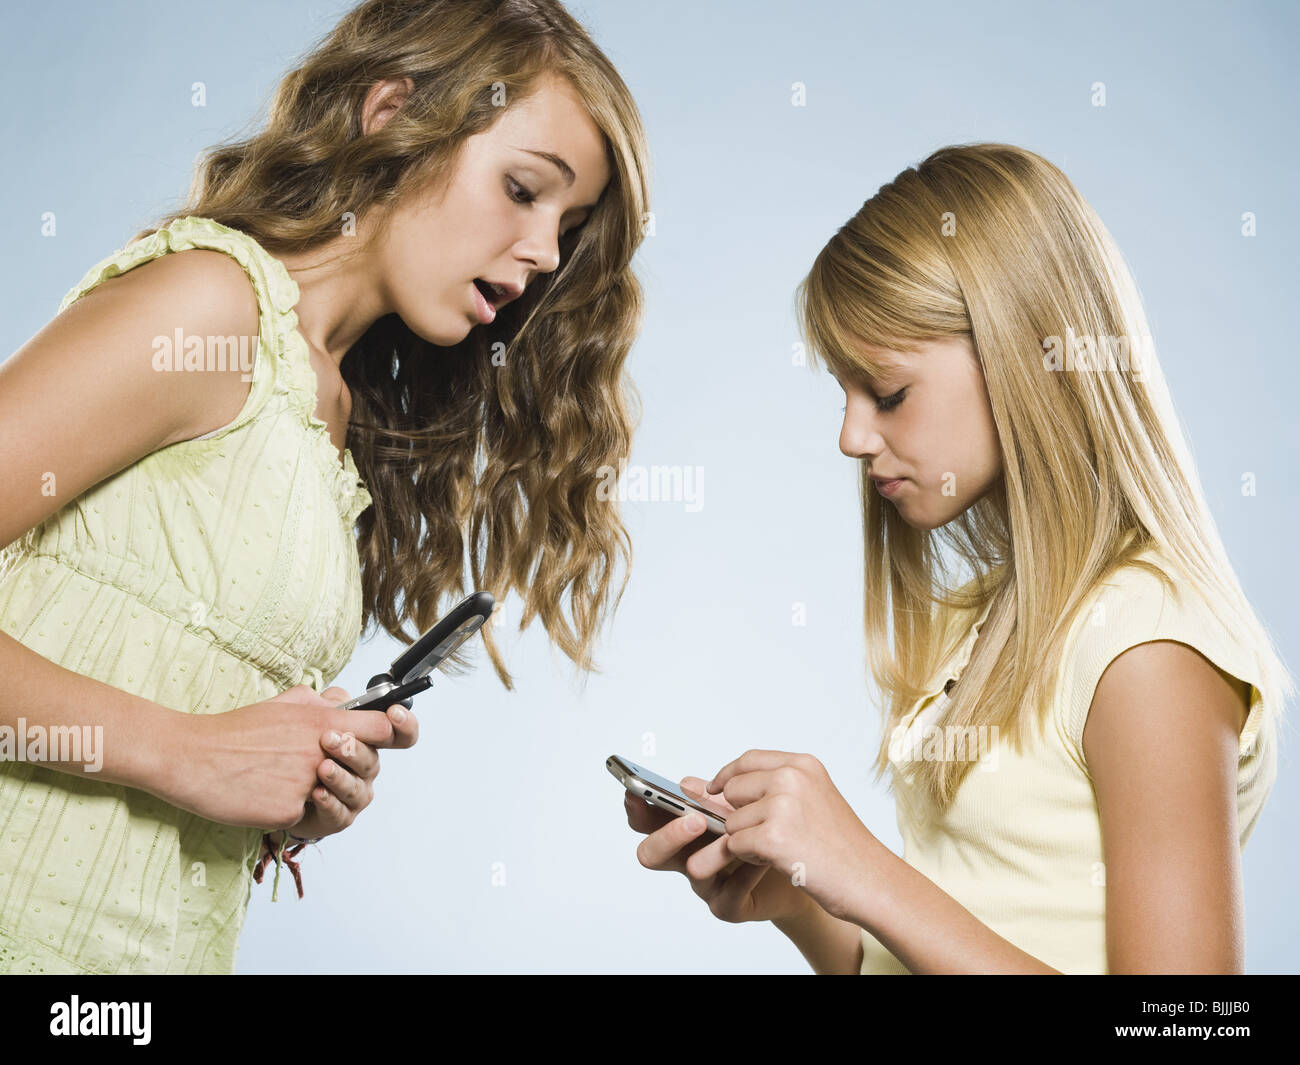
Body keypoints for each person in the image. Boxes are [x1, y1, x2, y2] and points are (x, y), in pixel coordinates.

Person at [0, 0, 649, 974]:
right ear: (388, 111)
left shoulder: (330, 409)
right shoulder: (210, 305)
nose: (547, 252)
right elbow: (176, 744)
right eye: (523, 189)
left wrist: (287, 783)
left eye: (568, 223)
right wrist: (182, 751)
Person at [625, 142, 1290, 975]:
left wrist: (866, 873)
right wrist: (803, 901)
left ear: (1022, 357)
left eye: (888, 393)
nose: (851, 437)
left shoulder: (1145, 644)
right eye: (845, 395)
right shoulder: (991, 618)